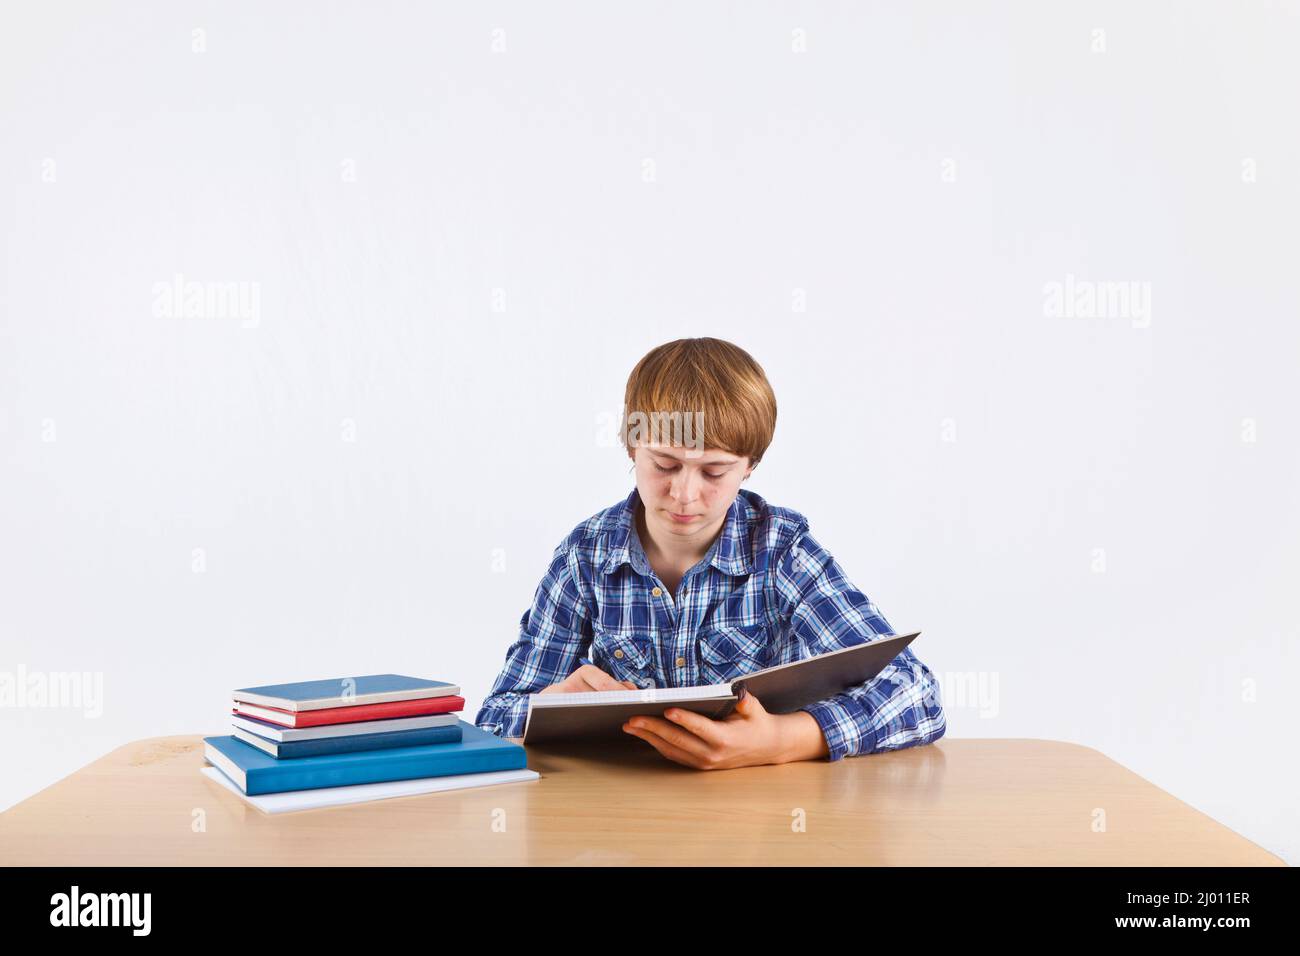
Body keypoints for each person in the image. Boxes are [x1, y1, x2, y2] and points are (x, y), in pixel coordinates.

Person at [475, 337, 945, 768]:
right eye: (665, 464)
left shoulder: (781, 551)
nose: (683, 494)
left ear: (749, 467)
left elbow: (917, 694)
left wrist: (781, 739)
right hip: (623, 821)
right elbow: (493, 719)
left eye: (714, 472)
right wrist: (551, 704)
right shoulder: (585, 557)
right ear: (631, 447)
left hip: (758, 822)